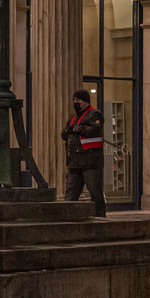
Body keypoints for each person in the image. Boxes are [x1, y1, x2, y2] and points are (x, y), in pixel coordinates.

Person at [62, 88, 106, 217]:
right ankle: (67, 219)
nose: (75, 103)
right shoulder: (73, 117)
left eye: (78, 100)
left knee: (95, 192)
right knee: (70, 194)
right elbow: (65, 133)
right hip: (74, 163)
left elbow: (94, 131)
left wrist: (77, 129)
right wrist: (68, 130)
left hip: (90, 162)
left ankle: (100, 217)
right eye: (74, 100)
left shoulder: (94, 114)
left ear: (85, 102)